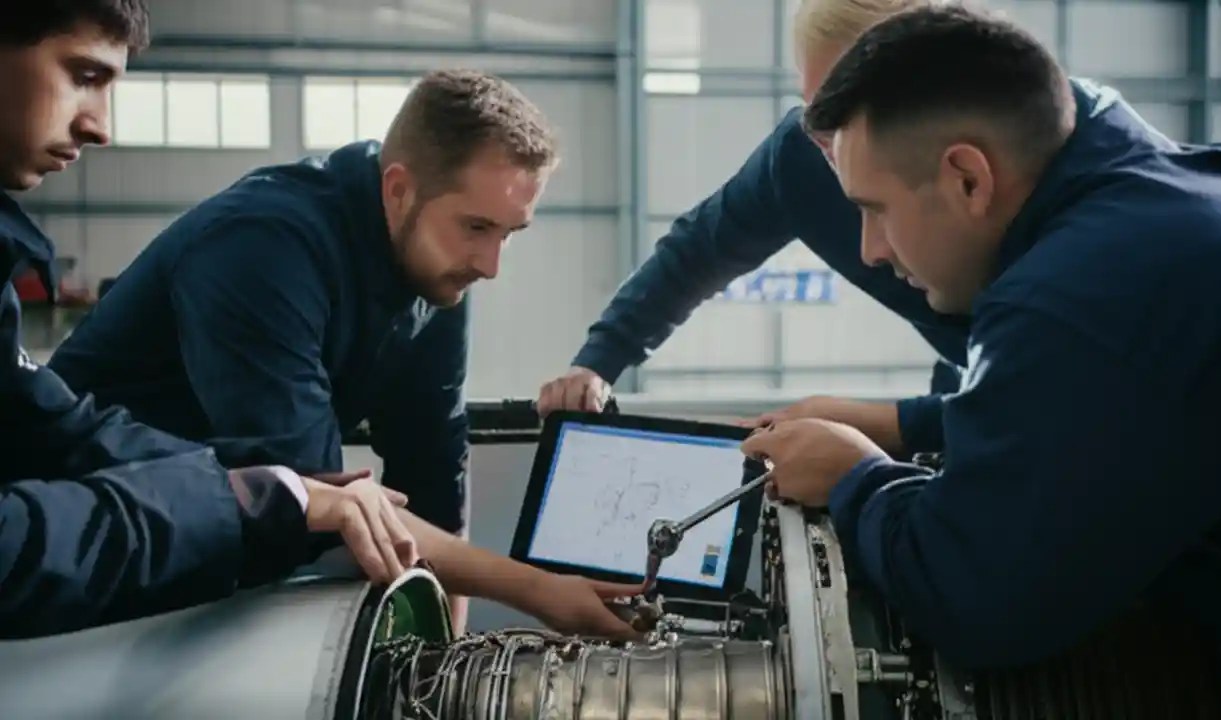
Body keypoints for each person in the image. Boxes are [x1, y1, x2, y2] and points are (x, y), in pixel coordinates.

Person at [8, 2, 641, 642]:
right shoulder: (264, 244)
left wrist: (449, 660)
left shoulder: (438, 270)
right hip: (86, 562)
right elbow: (313, 497)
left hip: (210, 536)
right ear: (399, 190)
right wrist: (538, 590)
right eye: (477, 227)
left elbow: (432, 485)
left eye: (508, 234)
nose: (490, 264)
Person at [743, 1, 1221, 697]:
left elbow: (972, 597)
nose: (871, 250)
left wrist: (854, 476)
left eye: (874, 208)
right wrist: (905, 424)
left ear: (968, 178)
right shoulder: (1202, 184)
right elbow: (1115, 402)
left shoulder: (1070, 295)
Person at [0, 0, 426, 638]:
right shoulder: (261, 240)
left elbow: (50, 428)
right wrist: (237, 505)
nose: (100, 126)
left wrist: (268, 487)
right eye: (83, 75)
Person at [538, 0, 968, 461]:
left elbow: (1016, 403)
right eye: (815, 111)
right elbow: (695, 254)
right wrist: (597, 363)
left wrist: (879, 425)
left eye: (841, 115)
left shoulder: (1020, 214)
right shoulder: (803, 157)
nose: (871, 251)